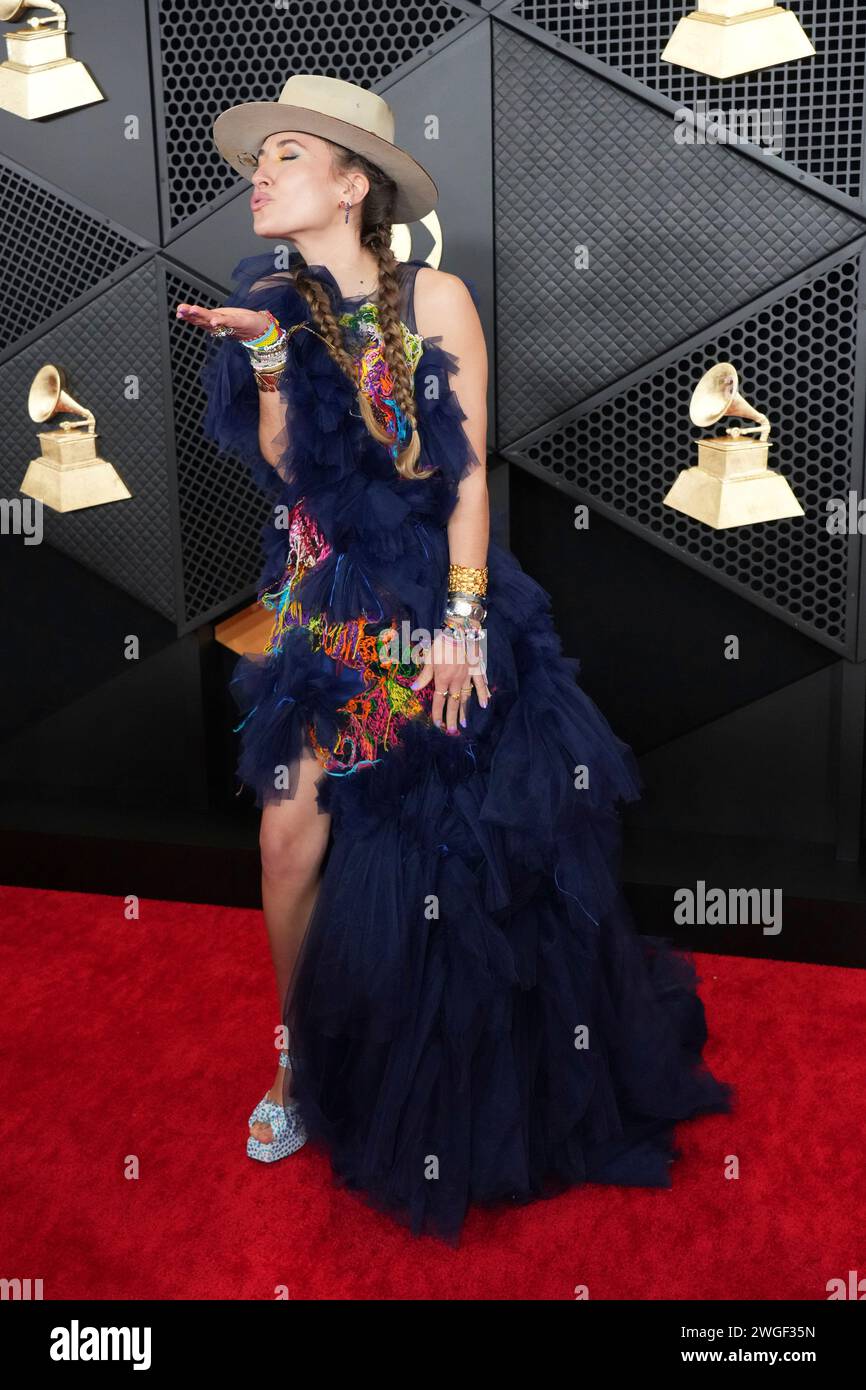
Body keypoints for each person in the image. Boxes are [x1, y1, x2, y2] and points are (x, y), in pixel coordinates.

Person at [177, 73, 735, 1246]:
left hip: (433, 592)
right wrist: (272, 360)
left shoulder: (435, 300)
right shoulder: (261, 296)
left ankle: (454, 1070)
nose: (260, 175)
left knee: (450, 855)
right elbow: (286, 474)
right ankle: (297, 1063)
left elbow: (465, 474)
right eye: (258, 160)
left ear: (351, 183)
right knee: (287, 837)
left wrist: (464, 618)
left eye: (286, 155)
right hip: (323, 606)